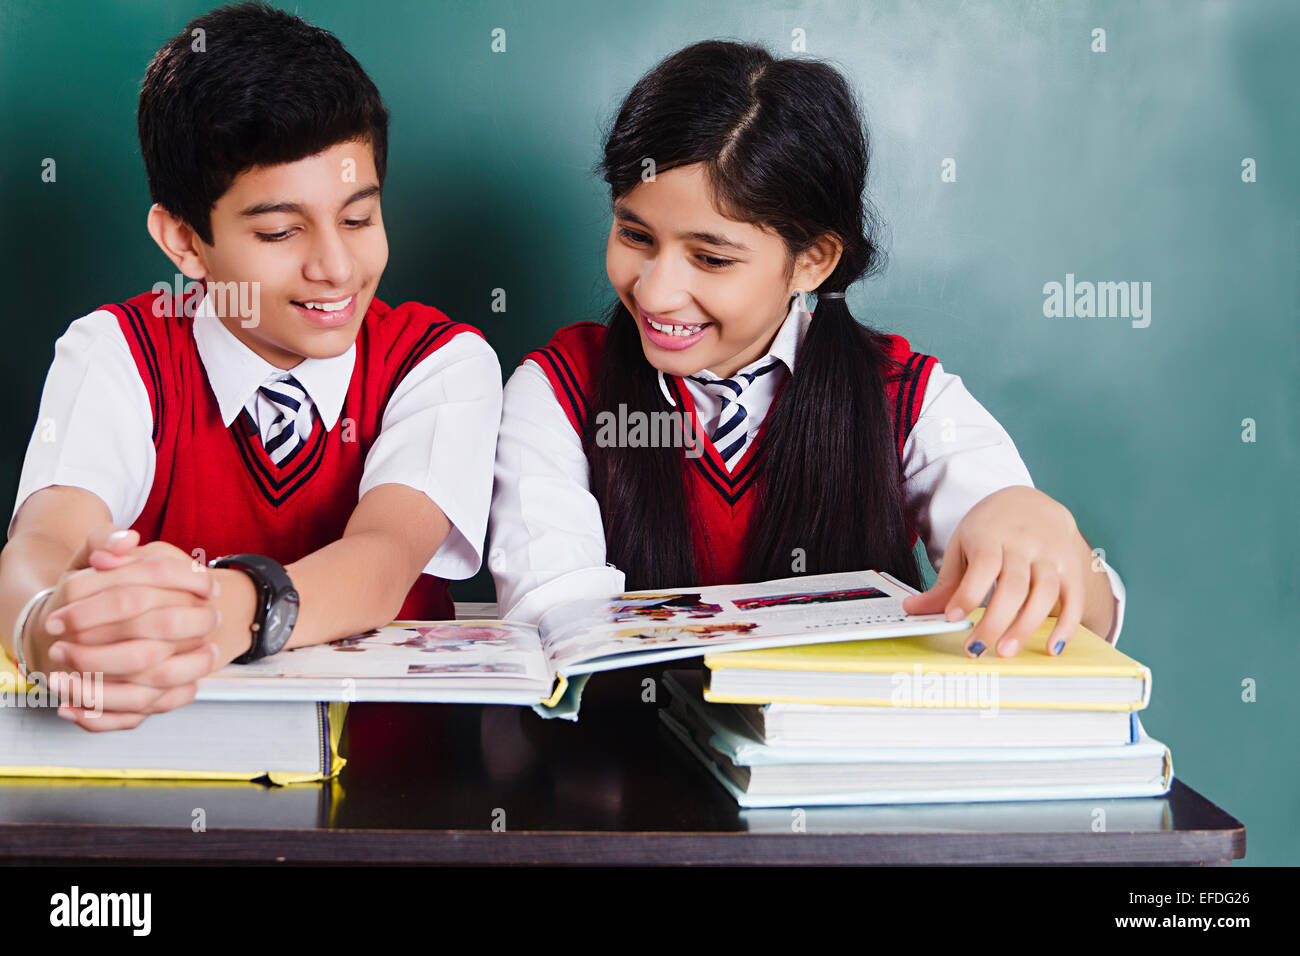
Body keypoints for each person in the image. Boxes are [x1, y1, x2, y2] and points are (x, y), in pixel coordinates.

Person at [490, 40, 1125, 661]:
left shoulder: (907, 399)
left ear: (812, 261)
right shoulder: (559, 390)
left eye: (711, 258)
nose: (655, 292)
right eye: (635, 235)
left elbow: (1076, 622)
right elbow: (562, 624)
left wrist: (1040, 534)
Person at [0, 3, 501, 731]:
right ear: (184, 242)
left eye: (358, 218)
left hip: (397, 778)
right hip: (170, 770)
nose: (336, 267)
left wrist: (216, 611)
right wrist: (47, 629)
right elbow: (44, 541)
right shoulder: (119, 351)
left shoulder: (439, 361)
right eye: (279, 231)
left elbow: (383, 555)